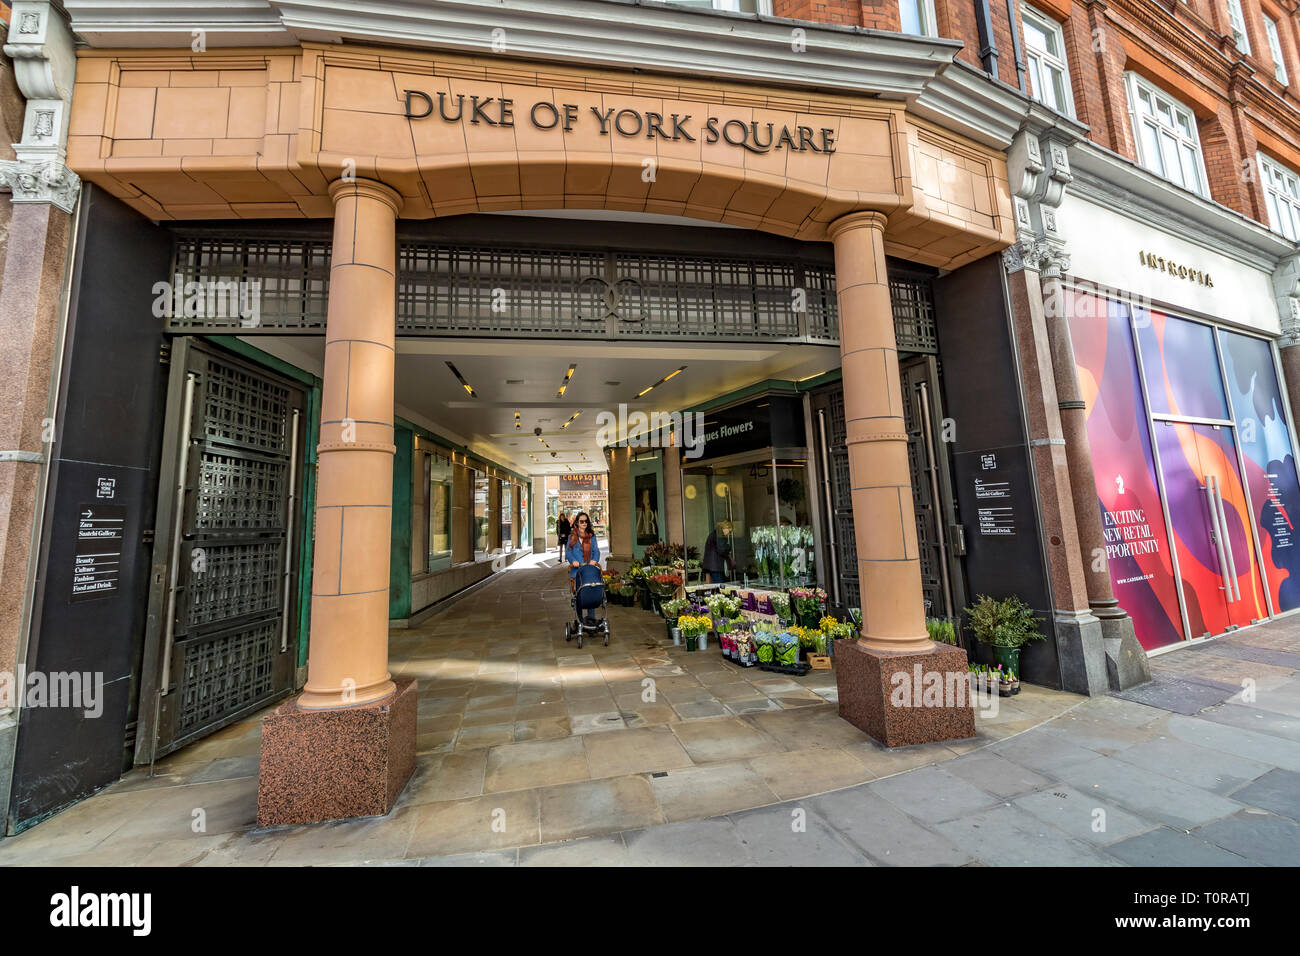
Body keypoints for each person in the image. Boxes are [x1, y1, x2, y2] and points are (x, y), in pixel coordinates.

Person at [566, 511, 602, 621]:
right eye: (582, 521)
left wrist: (594, 560)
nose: (584, 523)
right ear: (577, 523)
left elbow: (596, 551)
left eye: (586, 521)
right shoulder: (572, 536)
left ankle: (591, 619)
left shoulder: (592, 536)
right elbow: (568, 553)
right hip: (577, 571)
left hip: (589, 570)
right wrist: (573, 561)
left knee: (590, 591)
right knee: (579, 595)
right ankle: (579, 620)